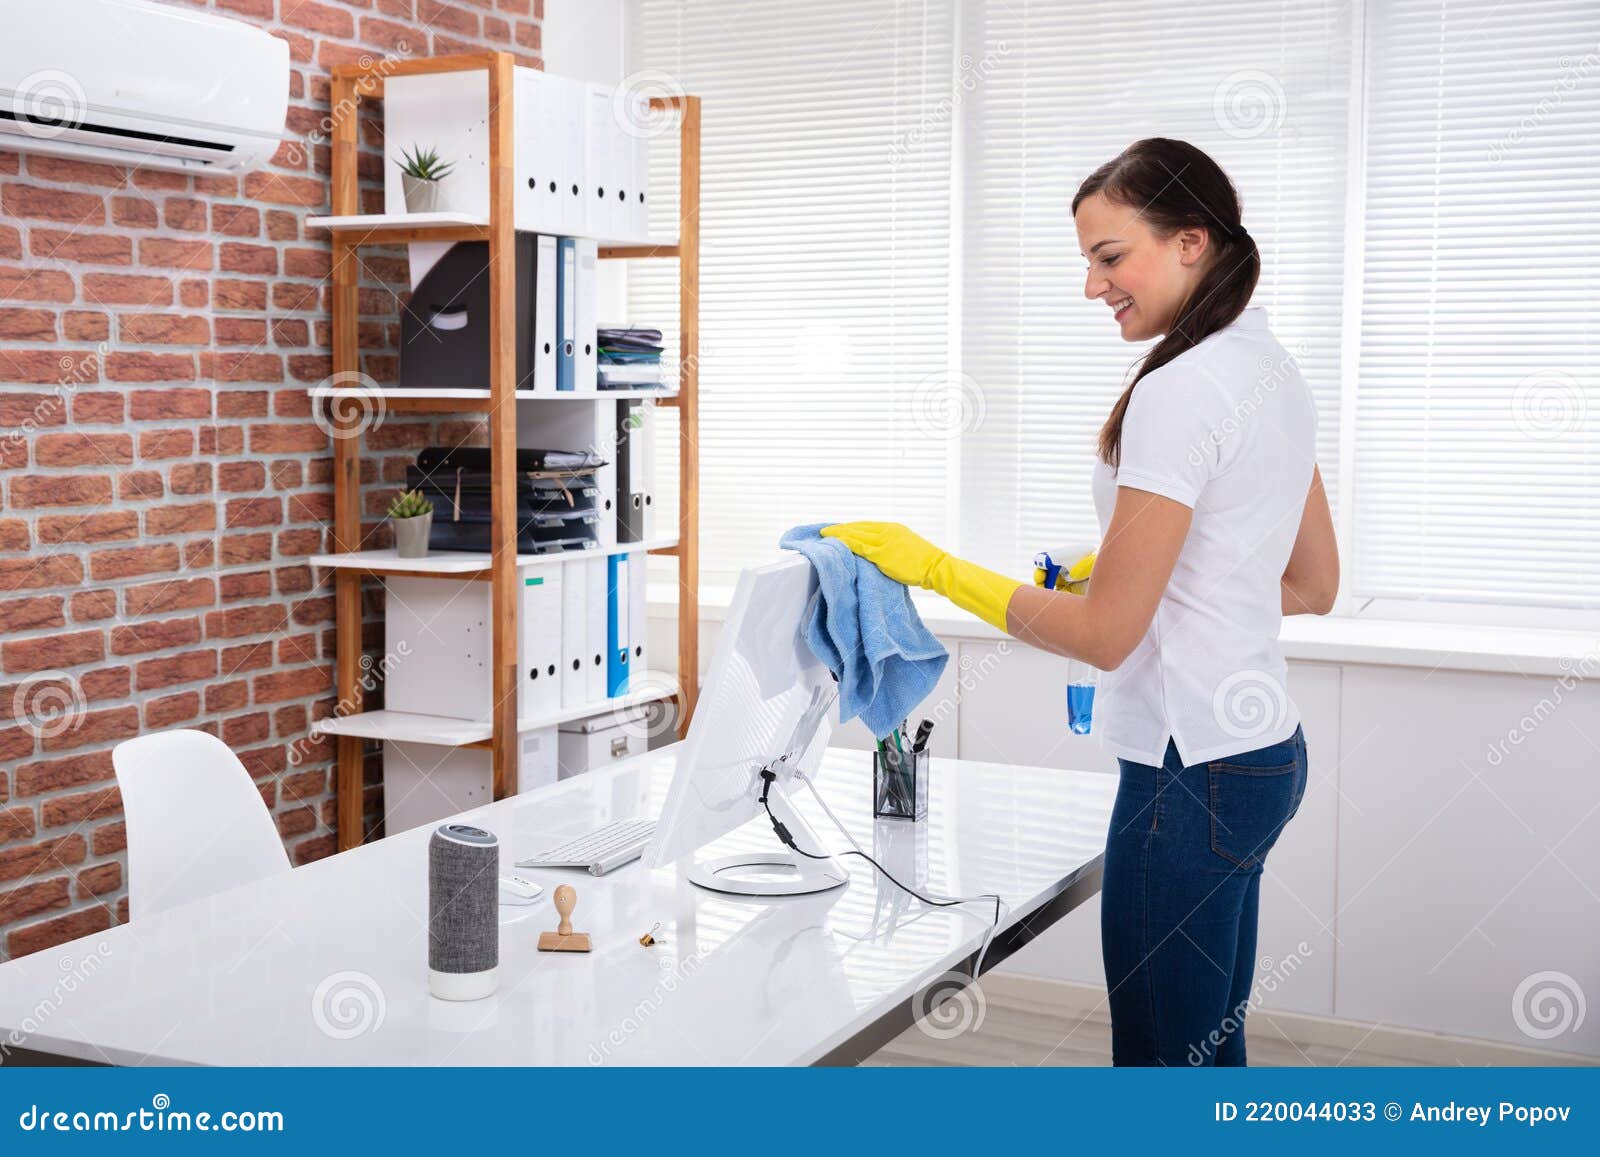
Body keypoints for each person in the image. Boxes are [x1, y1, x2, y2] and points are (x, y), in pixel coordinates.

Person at [823, 137, 1339, 1066]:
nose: (1094, 288)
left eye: (1110, 258)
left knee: (1155, 1063)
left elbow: (1105, 641)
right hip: (1262, 755)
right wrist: (1133, 560)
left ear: (1191, 240)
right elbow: (1308, 581)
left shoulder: (1179, 388)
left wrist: (934, 567)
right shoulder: (1272, 368)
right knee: (1209, 1051)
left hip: (1186, 777)